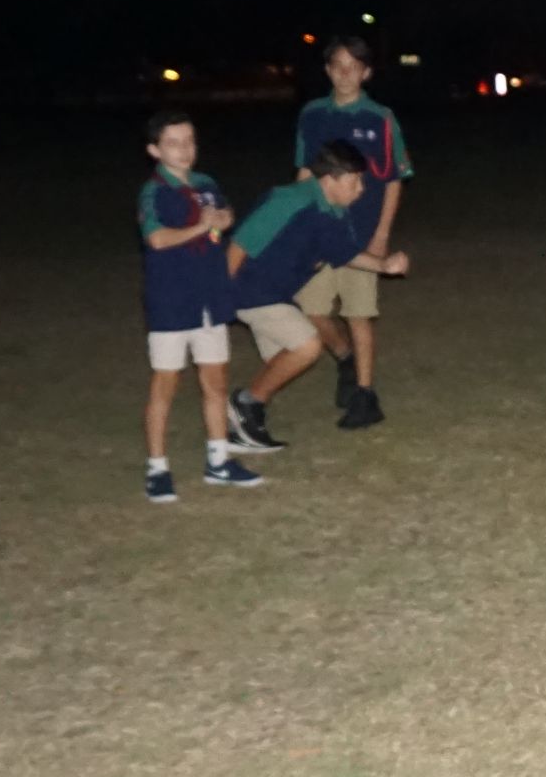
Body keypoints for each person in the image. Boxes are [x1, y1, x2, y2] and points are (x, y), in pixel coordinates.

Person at [227, 142, 409, 450]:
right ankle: (245, 405)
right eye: (355, 181)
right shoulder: (289, 200)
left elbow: (345, 253)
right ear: (330, 180)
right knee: (307, 346)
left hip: (277, 294)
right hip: (251, 291)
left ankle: (239, 428)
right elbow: (239, 245)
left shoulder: (334, 211)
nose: (362, 189)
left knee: (280, 360)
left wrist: (383, 265)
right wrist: (222, 296)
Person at [135, 110, 266, 501]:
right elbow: (156, 239)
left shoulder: (206, 182)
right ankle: (157, 468)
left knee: (216, 384)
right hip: (172, 302)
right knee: (166, 385)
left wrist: (222, 219)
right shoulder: (154, 191)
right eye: (173, 143)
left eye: (189, 141)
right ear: (155, 149)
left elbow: (224, 213)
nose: (184, 150)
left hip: (211, 298)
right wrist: (203, 226)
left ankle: (218, 459)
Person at [289, 36, 414, 429]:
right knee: (310, 309)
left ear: (366, 72)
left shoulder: (380, 118)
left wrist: (380, 235)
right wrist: (298, 223)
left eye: (353, 66)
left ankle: (364, 394)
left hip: (361, 233)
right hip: (321, 232)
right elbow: (305, 173)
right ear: (327, 71)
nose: (345, 73)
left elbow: (394, 179)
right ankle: (344, 357)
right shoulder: (312, 115)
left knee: (359, 313)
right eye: (337, 65)